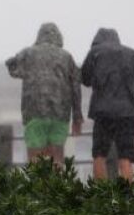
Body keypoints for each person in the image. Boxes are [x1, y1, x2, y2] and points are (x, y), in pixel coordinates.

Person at [80, 28, 134, 181]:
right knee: (125, 158)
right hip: (128, 114)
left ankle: (102, 196)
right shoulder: (133, 55)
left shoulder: (95, 52)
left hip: (103, 113)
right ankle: (126, 200)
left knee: (99, 155)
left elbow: (84, 78)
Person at [6, 22, 82, 167]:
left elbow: (12, 68)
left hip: (34, 112)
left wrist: (14, 61)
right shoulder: (66, 57)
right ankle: (57, 186)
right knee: (57, 155)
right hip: (60, 113)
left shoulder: (28, 53)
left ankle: (37, 187)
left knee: (35, 156)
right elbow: (76, 86)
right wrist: (77, 116)